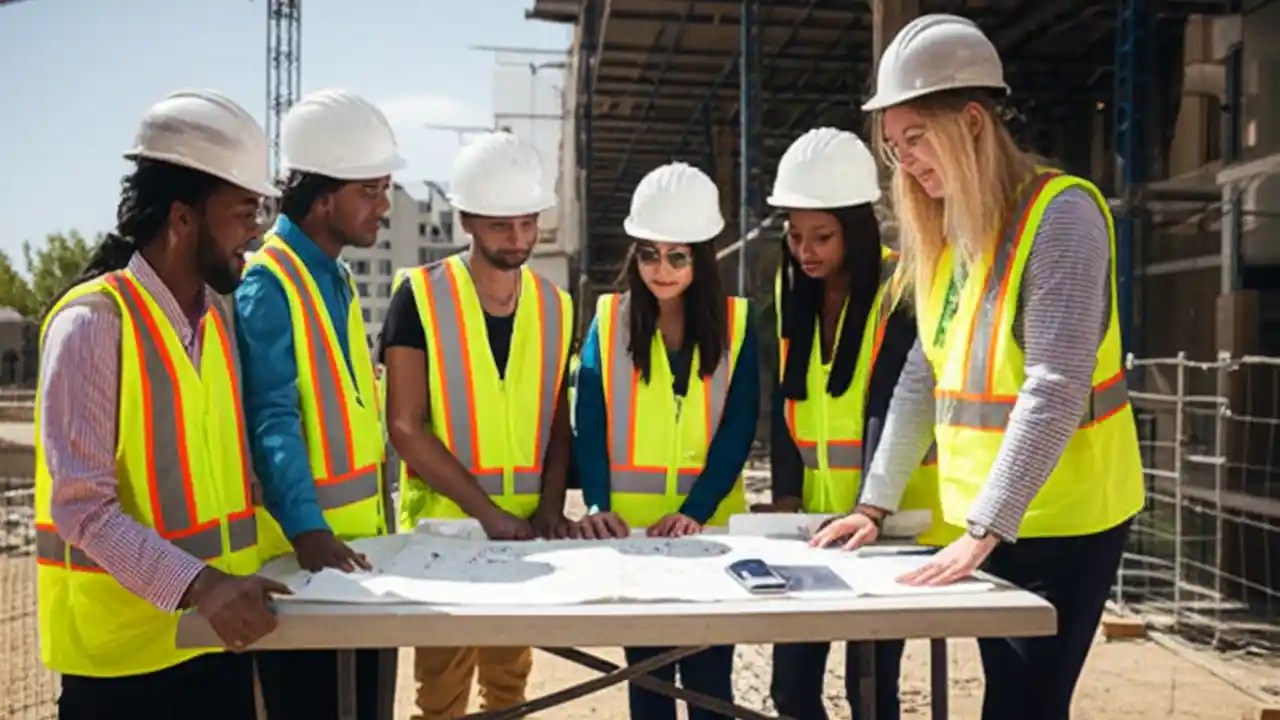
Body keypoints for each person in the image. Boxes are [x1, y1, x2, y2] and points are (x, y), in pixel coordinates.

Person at [811, 14, 1146, 720]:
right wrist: (874, 504)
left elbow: (1055, 385)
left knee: (1024, 706)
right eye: (894, 146)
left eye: (916, 138)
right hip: (992, 524)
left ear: (971, 122)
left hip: (1064, 523)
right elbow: (922, 374)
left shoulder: (1061, 217)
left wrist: (983, 529)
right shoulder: (954, 229)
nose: (905, 162)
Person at [35, 89, 288, 718]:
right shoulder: (93, 325)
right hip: (122, 668)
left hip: (211, 646)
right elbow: (83, 509)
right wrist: (202, 586)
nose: (256, 232)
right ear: (182, 219)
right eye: (244, 212)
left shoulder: (216, 321)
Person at [762, 127, 961, 719]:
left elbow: (890, 405)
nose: (806, 250)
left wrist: (870, 511)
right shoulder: (791, 288)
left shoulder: (902, 286)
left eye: (822, 236)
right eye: (795, 235)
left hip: (887, 522)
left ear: (856, 228)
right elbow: (787, 397)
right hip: (814, 519)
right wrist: (787, 495)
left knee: (869, 691)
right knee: (791, 690)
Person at [382, 130, 575, 719]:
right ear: (466, 219)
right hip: (446, 536)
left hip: (523, 533)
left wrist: (549, 507)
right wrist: (486, 514)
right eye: (500, 226)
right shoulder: (418, 297)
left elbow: (556, 421)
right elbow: (405, 426)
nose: (517, 239)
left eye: (527, 224)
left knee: (509, 691)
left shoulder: (555, 305)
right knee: (442, 699)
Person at [235, 88, 403, 720]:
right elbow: (271, 418)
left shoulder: (335, 276)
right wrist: (309, 532)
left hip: (359, 558)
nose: (383, 206)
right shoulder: (268, 283)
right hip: (303, 566)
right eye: (371, 191)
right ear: (323, 198)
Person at [573, 162, 759, 720]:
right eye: (649, 254)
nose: (661, 270)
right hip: (632, 535)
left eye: (678, 257)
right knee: (649, 685)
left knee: (710, 684)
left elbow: (738, 427)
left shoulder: (738, 324)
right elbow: (590, 423)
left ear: (701, 258)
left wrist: (695, 511)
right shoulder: (609, 320)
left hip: (710, 531)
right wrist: (598, 505)